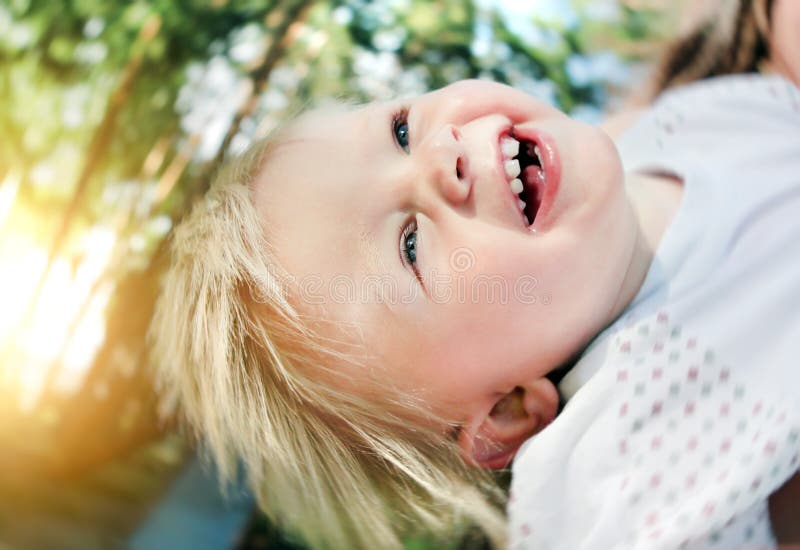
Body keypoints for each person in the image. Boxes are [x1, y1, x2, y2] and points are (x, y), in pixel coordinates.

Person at [149, 0, 799, 548]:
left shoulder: (683, 124)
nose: (440, 156)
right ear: (511, 410)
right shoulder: (622, 466)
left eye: (401, 131)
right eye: (409, 245)